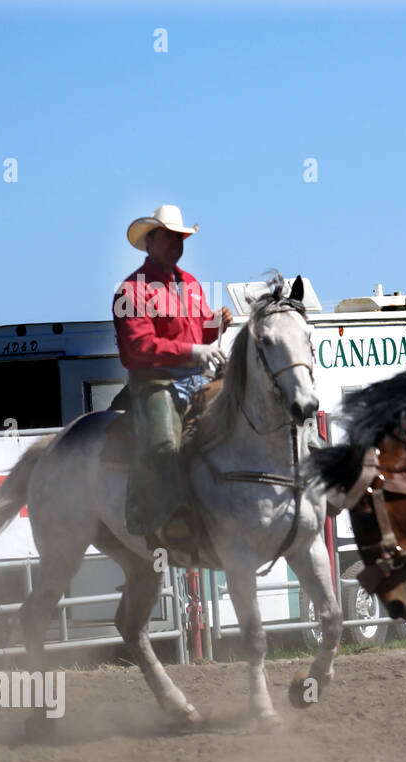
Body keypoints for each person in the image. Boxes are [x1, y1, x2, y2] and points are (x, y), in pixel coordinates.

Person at [113, 204, 231, 544]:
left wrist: (215, 323)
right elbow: (139, 348)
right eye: (170, 237)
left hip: (196, 377)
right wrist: (195, 351)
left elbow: (198, 333)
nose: (177, 244)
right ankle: (169, 520)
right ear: (150, 241)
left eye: (180, 238)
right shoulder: (132, 291)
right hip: (155, 382)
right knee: (164, 443)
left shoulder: (190, 283)